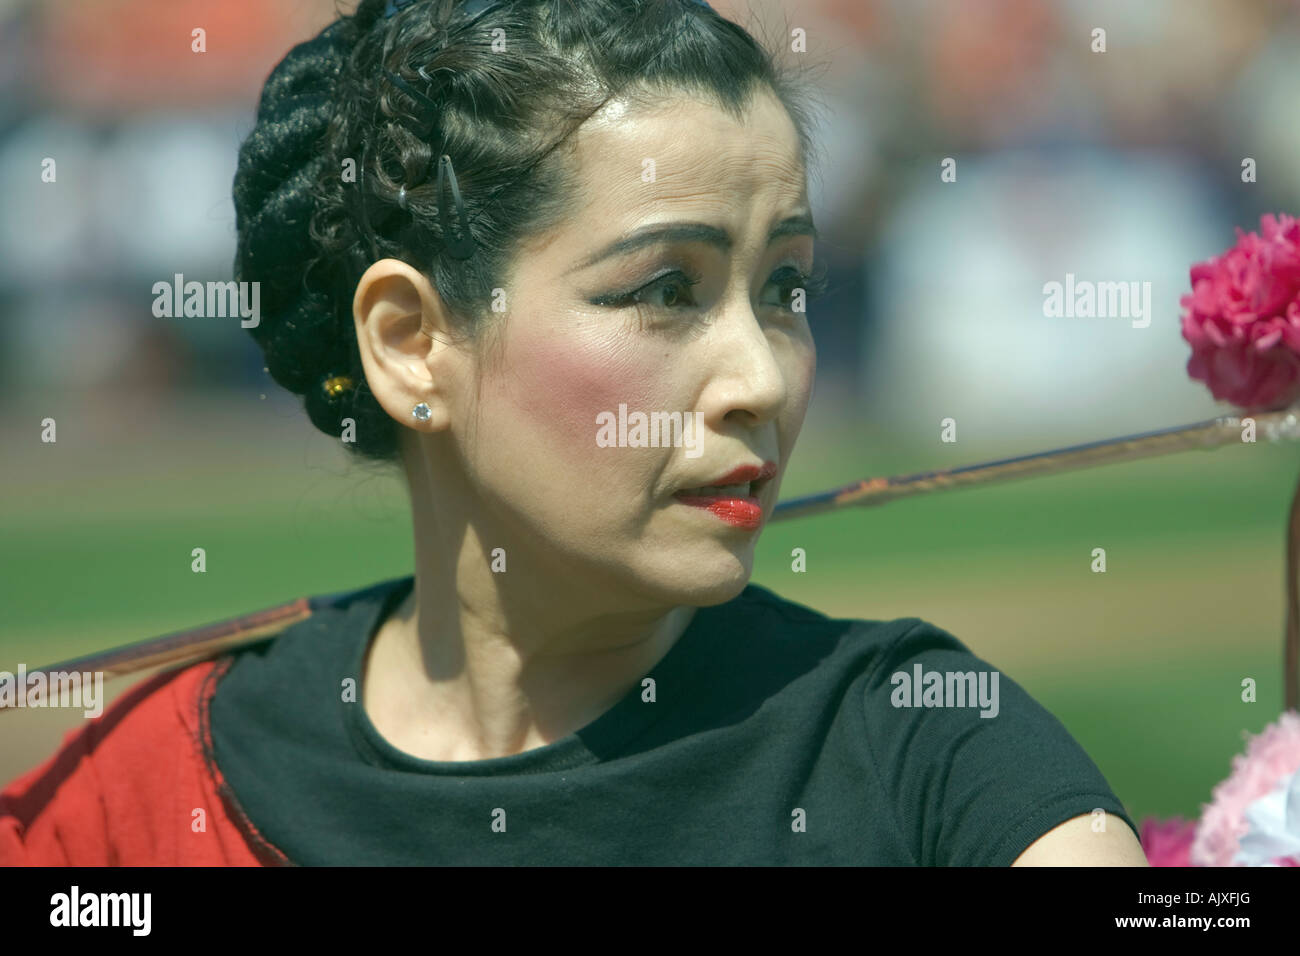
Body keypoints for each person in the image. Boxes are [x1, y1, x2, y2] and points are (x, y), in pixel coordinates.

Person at [0, 0, 1147, 866]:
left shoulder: (928, 751)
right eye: (662, 289)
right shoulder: (129, 801)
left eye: (787, 286)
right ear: (409, 342)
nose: (759, 375)